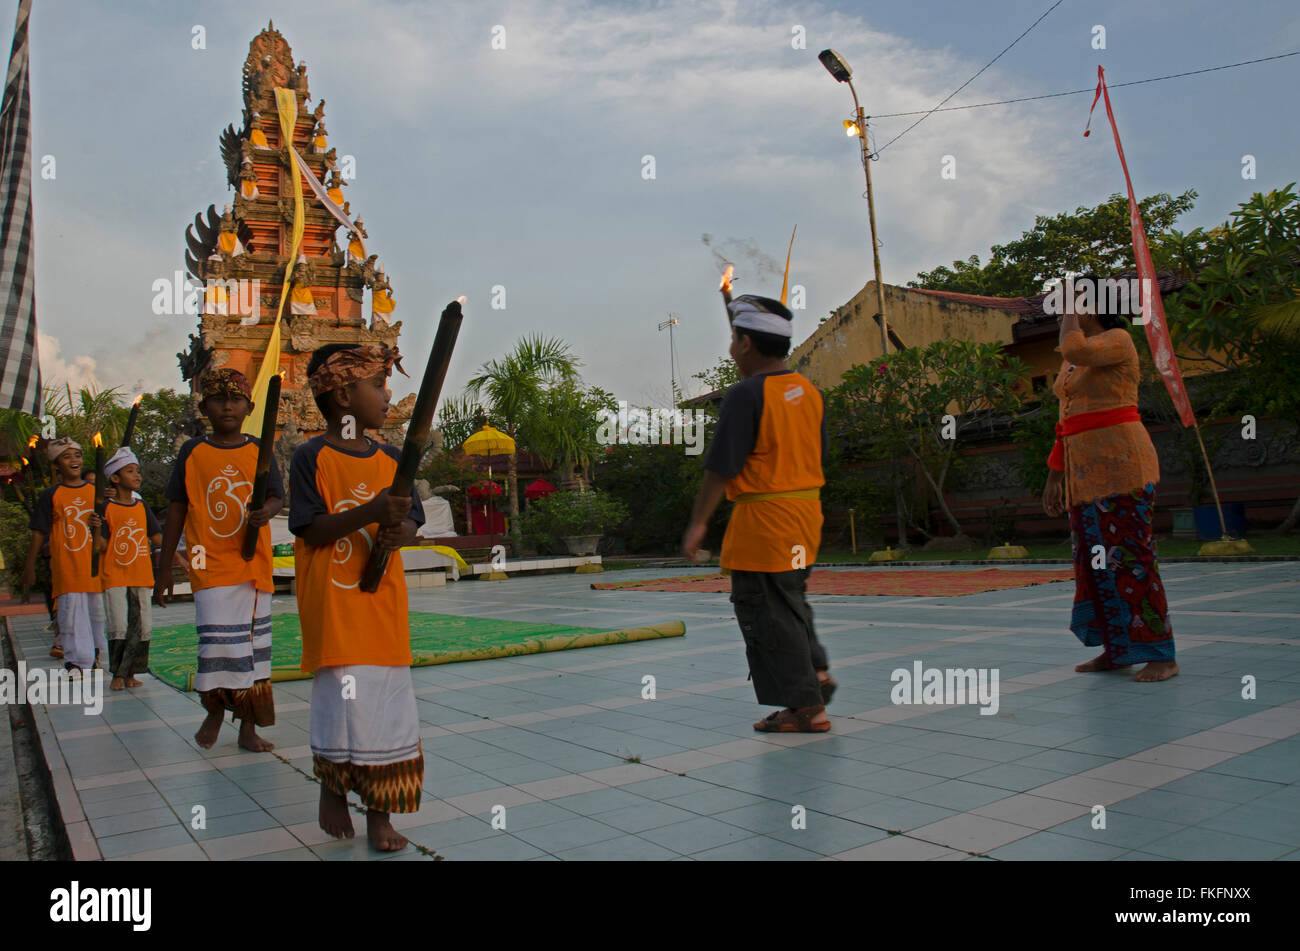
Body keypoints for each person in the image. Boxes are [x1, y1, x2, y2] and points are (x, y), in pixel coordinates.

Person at [290, 342, 424, 851]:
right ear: (345, 394)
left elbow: (411, 516)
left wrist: (401, 530)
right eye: (378, 385)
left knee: (389, 708)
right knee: (343, 704)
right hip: (336, 607)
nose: (389, 396)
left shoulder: (392, 458)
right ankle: (332, 786)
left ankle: (380, 815)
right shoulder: (312, 457)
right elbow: (311, 529)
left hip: (383, 605)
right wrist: (372, 512)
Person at [682, 292, 835, 733]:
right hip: (806, 517)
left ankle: (807, 708)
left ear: (746, 344)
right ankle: (816, 674)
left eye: (733, 341)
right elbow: (817, 455)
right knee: (791, 604)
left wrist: (698, 524)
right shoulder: (809, 392)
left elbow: (721, 467)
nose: (730, 350)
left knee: (767, 615)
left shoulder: (746, 394)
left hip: (764, 523)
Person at [1042, 278, 1178, 682]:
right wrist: (1054, 477)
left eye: (1079, 300)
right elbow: (1065, 421)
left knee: (1133, 560)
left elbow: (1074, 346)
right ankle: (1116, 650)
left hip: (1123, 467)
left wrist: (1069, 309)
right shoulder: (1072, 359)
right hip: (1082, 476)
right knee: (1094, 564)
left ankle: (1161, 654)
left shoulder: (1117, 340)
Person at [154, 368, 283, 749]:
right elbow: (177, 508)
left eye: (235, 399)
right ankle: (214, 709)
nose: (227, 406)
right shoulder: (192, 451)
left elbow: (276, 493)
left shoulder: (260, 449)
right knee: (215, 643)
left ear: (249, 406)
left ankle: (248, 727)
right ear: (204, 407)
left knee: (253, 648)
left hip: (251, 564)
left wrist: (267, 510)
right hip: (207, 563)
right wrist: (164, 567)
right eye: (218, 399)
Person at [22, 437, 104, 673]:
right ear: (56, 464)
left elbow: (106, 531)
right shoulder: (51, 495)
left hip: (92, 566)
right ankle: (76, 661)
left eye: (77, 455)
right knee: (70, 615)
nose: (74, 460)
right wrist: (29, 566)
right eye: (67, 457)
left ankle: (95, 657)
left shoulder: (95, 492)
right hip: (66, 565)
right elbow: (39, 532)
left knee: (95, 615)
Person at [96, 448, 162, 691]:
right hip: (115, 574)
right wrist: (94, 527)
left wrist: (179, 559)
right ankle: (117, 673)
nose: (137, 476)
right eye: (130, 471)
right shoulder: (105, 507)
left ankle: (133, 671)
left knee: (143, 624)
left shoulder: (141, 506)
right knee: (120, 624)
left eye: (137, 471)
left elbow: (156, 536)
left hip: (141, 573)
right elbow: (101, 545)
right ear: (115, 477)